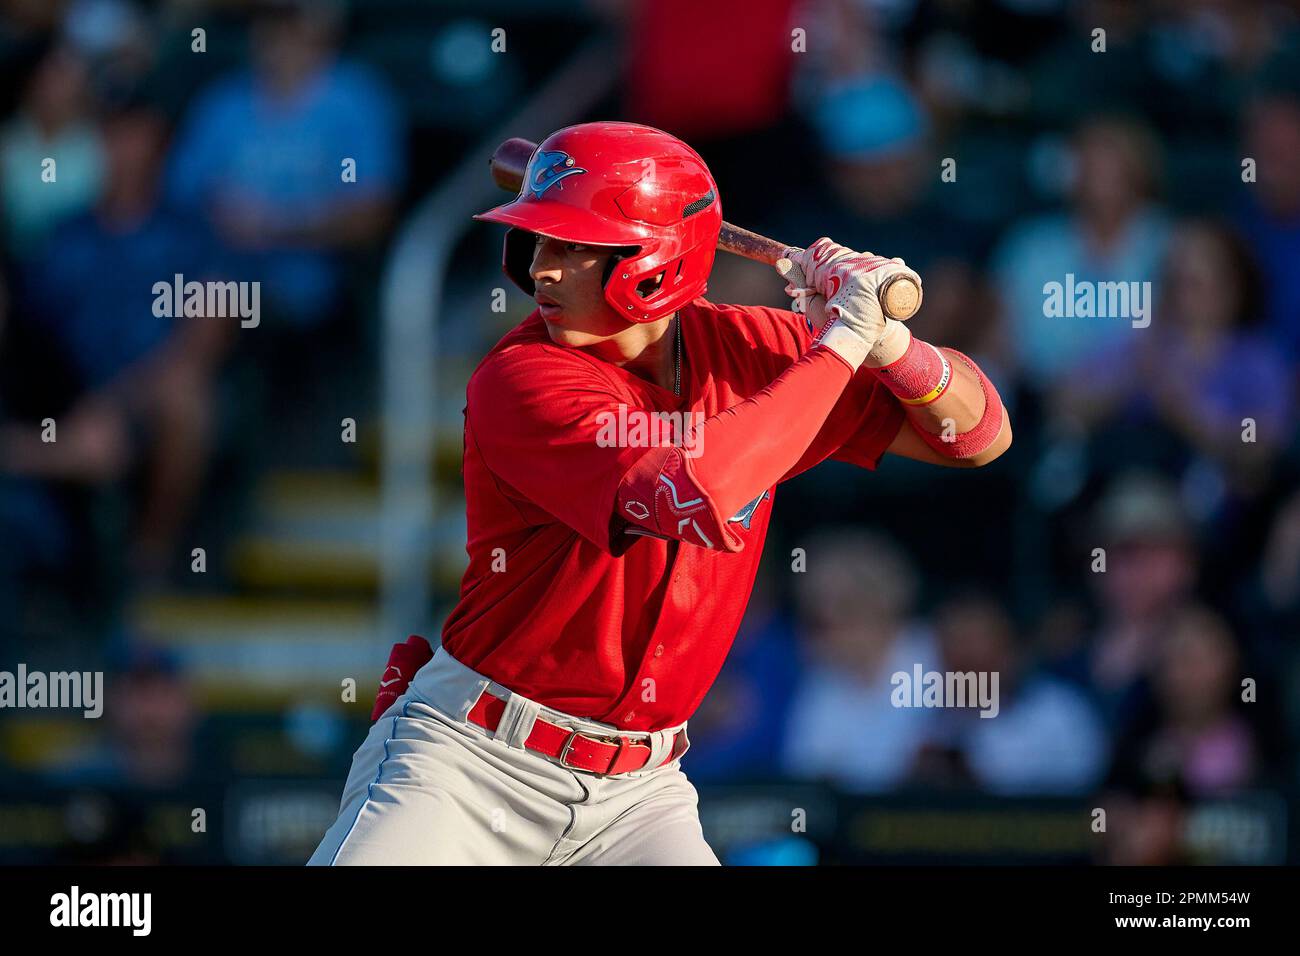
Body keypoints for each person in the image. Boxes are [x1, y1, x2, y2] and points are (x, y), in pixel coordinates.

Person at [310, 121, 1011, 866]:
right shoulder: (521, 380)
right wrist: (838, 344)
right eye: (538, 242)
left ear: (657, 264)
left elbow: (977, 436)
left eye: (574, 246)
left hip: (639, 794)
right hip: (470, 763)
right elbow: (695, 491)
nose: (543, 269)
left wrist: (892, 347)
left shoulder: (753, 350)